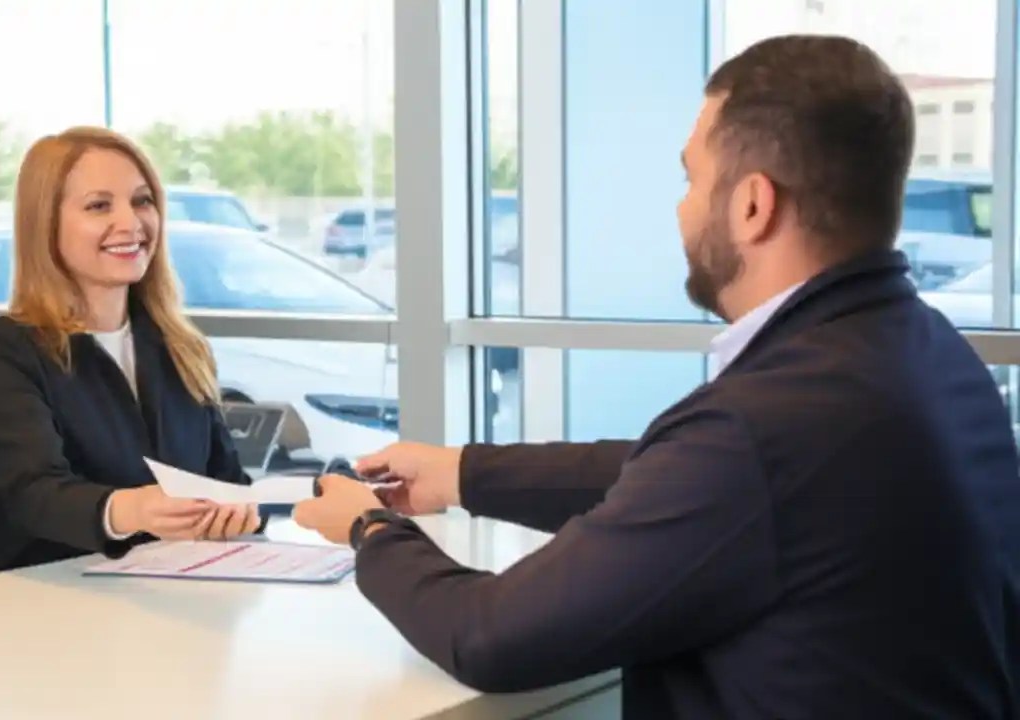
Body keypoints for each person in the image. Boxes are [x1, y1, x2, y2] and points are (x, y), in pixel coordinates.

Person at [295, 35, 1020, 718]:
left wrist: (371, 530)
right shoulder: (930, 359)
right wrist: (462, 473)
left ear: (752, 204)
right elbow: (677, 479)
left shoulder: (760, 428)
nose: (679, 209)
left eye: (691, 178)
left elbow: (489, 636)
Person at [0, 127, 261, 577]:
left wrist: (241, 513)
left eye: (142, 201)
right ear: (47, 224)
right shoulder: (2, 353)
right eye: (99, 206)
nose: (132, 223)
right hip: (41, 599)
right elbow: (32, 493)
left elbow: (226, 483)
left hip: (164, 592)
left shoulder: (177, 345)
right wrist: (132, 509)